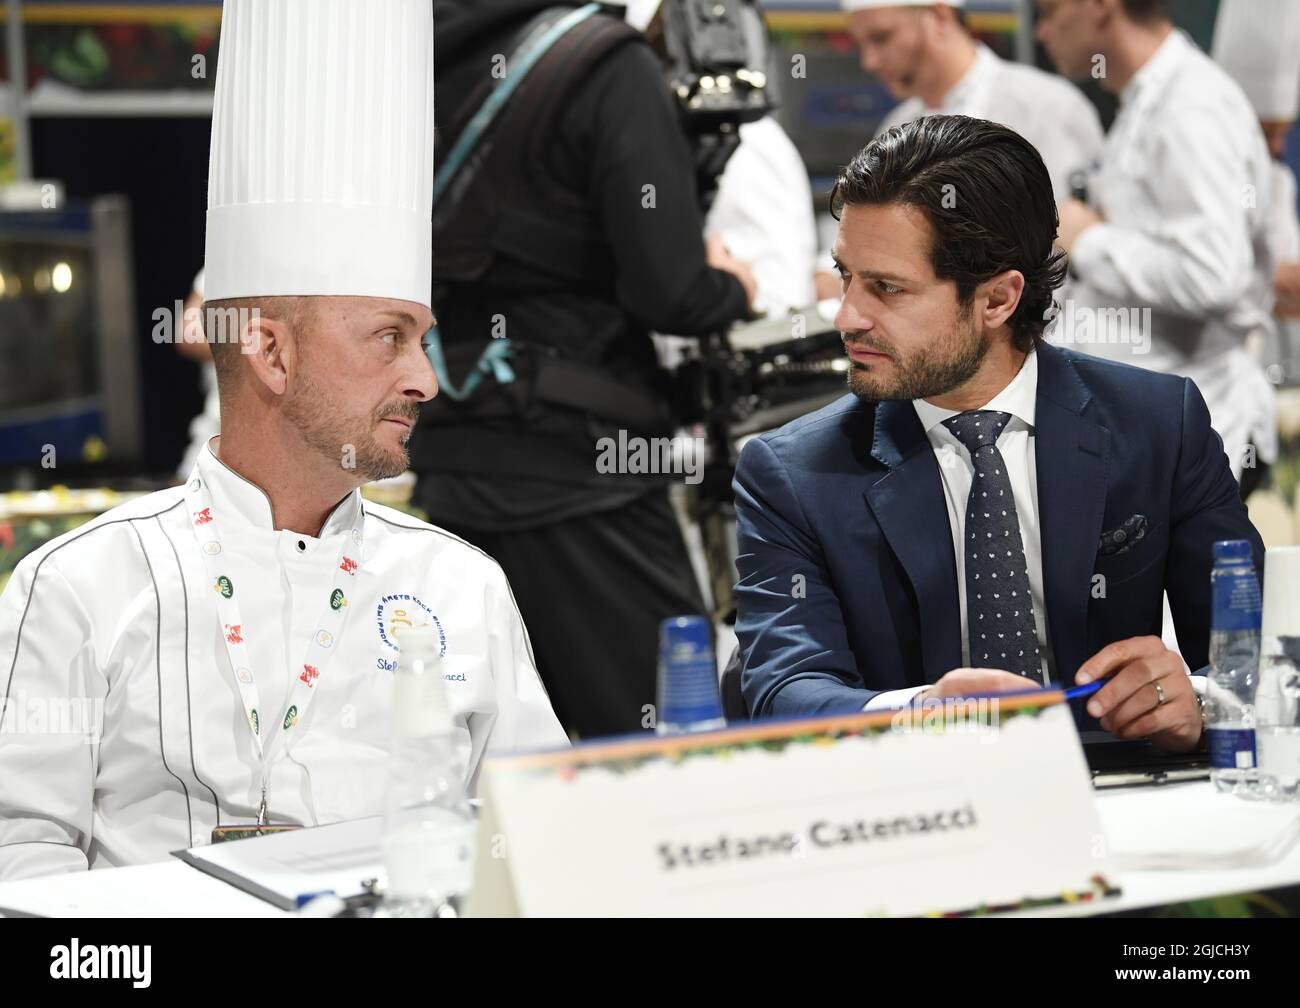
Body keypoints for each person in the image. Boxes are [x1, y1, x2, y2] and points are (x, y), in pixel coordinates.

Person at [0, 0, 565, 882]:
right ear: (270, 349)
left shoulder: (461, 586)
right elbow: (19, 853)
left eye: (422, 338)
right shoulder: (80, 585)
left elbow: (540, 843)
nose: (427, 379)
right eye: (389, 336)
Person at [733, 115, 1263, 755]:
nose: (846, 316)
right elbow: (782, 691)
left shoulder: (1159, 423)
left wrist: (1200, 699)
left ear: (997, 300)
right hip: (918, 808)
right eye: (846, 276)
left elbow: (1259, 648)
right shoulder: (793, 473)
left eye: (887, 288)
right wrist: (917, 713)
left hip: (1125, 800)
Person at [413, 0, 756, 739]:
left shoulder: (411, 61)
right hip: (583, 471)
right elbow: (671, 291)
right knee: (665, 741)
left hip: (451, 460)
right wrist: (733, 284)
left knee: (502, 752)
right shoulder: (605, 64)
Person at [1038, 0, 1277, 486]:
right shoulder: (1146, 99)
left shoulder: (1191, 105)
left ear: (1100, 7)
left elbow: (1212, 277)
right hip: (1145, 424)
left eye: (1049, 11)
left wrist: (1090, 240)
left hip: (1199, 432)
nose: (1043, 32)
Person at [813, 0, 1103, 299]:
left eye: (881, 38)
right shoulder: (897, 126)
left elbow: (1062, 249)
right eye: (862, 44)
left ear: (937, 17)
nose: (869, 61)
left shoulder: (1046, 106)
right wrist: (829, 268)